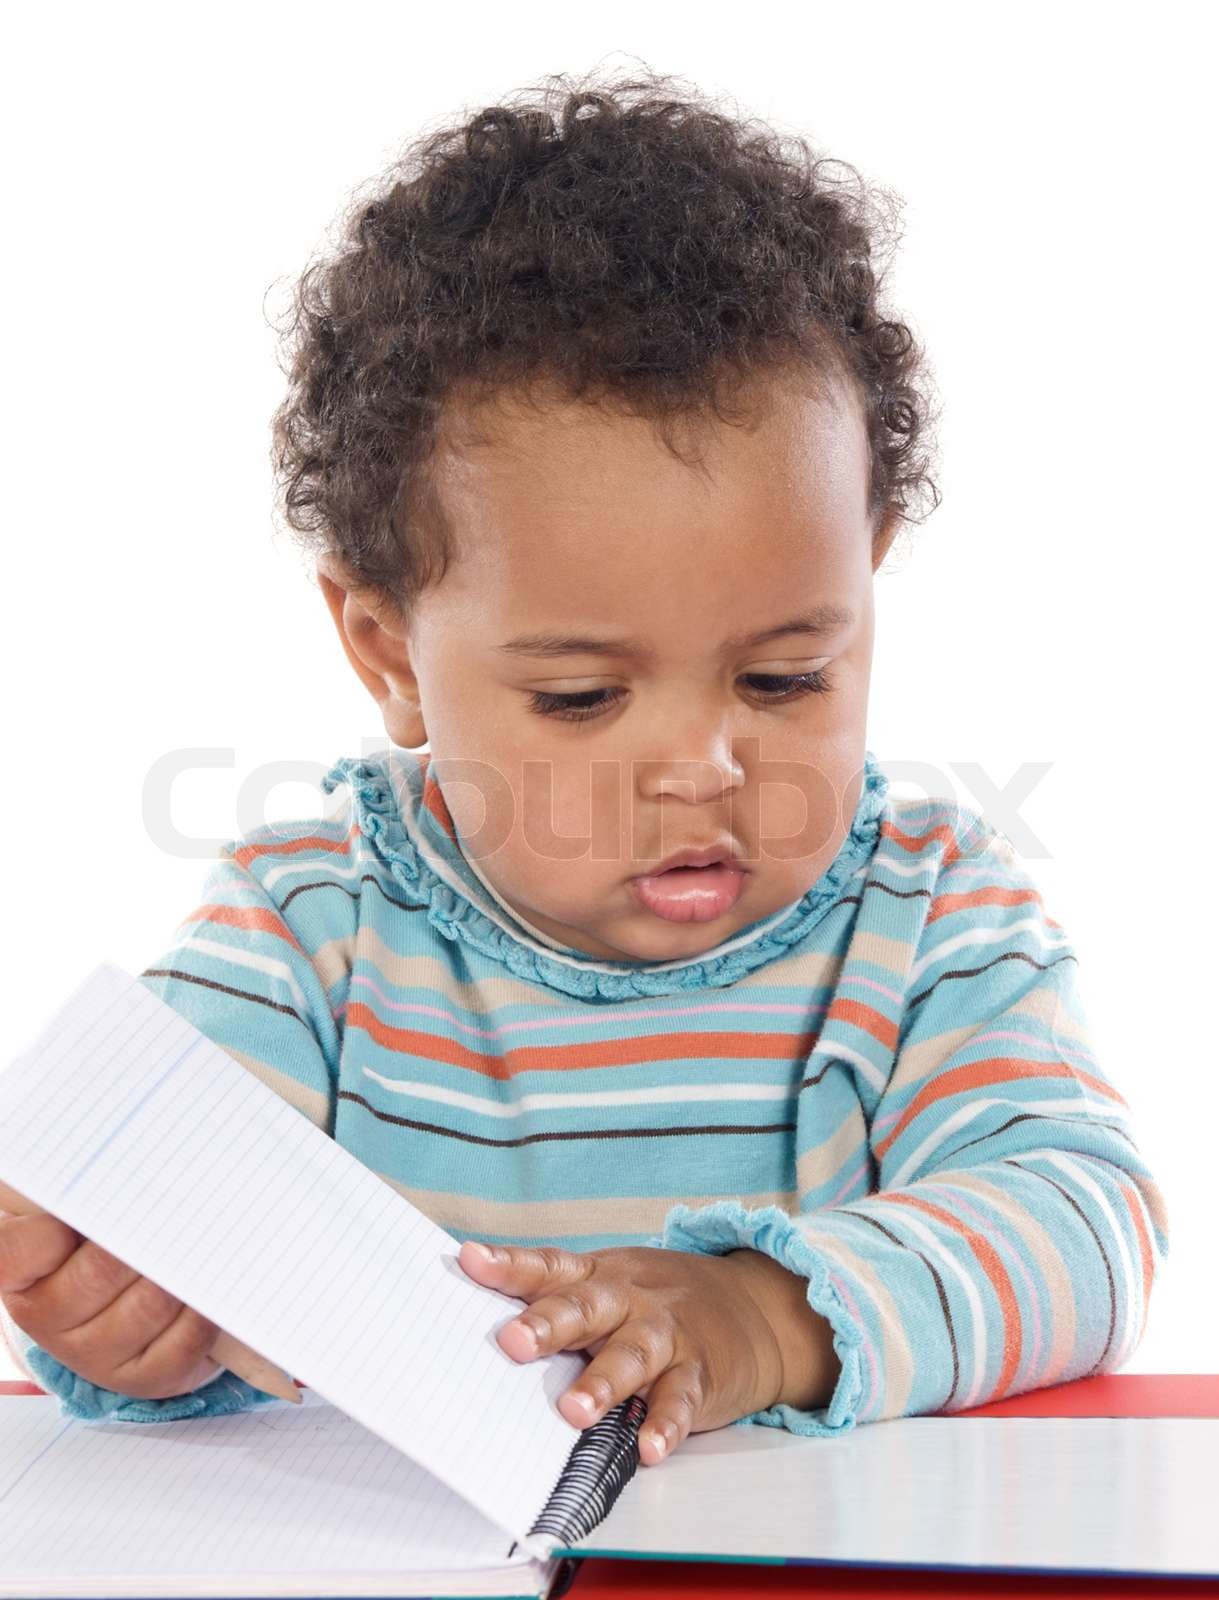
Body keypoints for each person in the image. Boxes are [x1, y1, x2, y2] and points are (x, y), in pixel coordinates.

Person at [0, 66, 1169, 1469]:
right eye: (581, 696)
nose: (701, 767)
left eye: (786, 675)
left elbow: (1086, 1225)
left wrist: (759, 1316)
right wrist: (132, 1312)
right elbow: (163, 1235)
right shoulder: (306, 933)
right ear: (386, 652)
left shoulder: (928, 922)